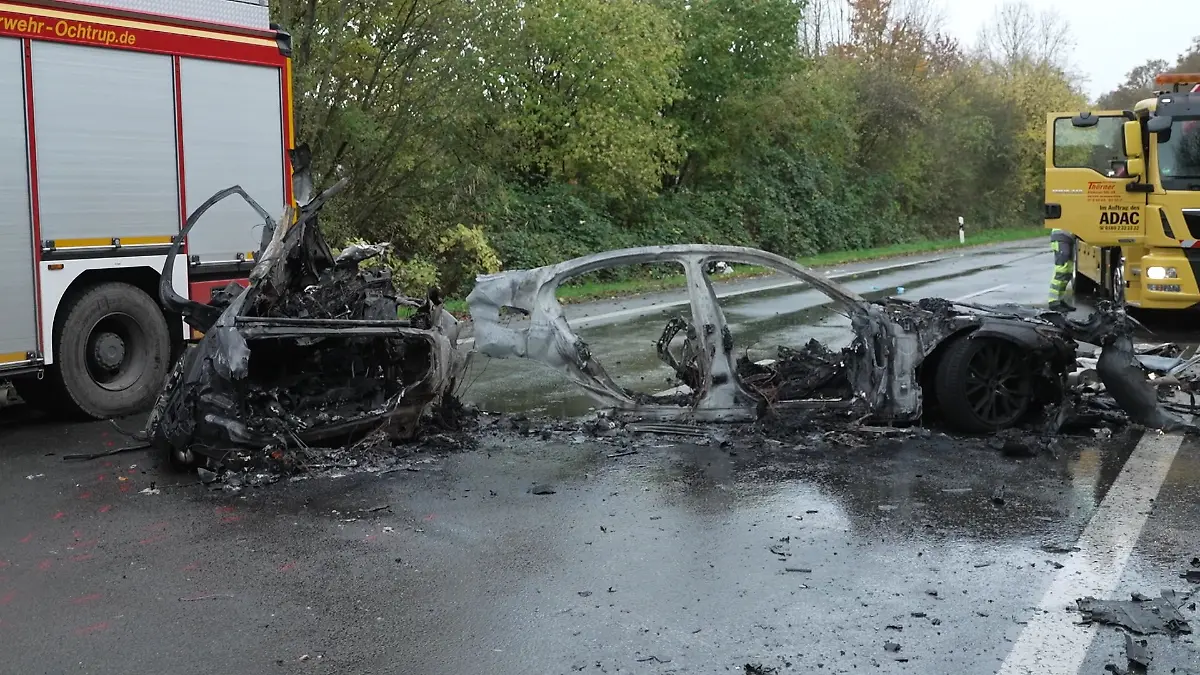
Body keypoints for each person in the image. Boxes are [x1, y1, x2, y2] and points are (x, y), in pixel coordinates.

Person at [1048, 229, 1076, 312]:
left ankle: (1060, 300)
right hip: (1061, 236)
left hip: (1068, 238)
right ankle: (1053, 302)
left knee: (1068, 271)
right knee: (1061, 270)